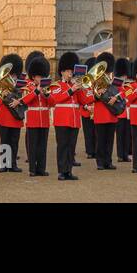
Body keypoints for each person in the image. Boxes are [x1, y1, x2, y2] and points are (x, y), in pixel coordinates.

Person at [49, 51, 84, 180]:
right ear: (62, 72)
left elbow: (84, 101)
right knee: (62, 146)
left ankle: (69, 171)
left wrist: (81, 88)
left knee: (71, 147)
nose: (70, 73)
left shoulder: (75, 86)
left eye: (71, 71)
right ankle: (61, 172)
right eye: (68, 71)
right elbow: (57, 99)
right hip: (62, 120)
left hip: (74, 120)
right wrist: (71, 90)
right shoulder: (57, 85)